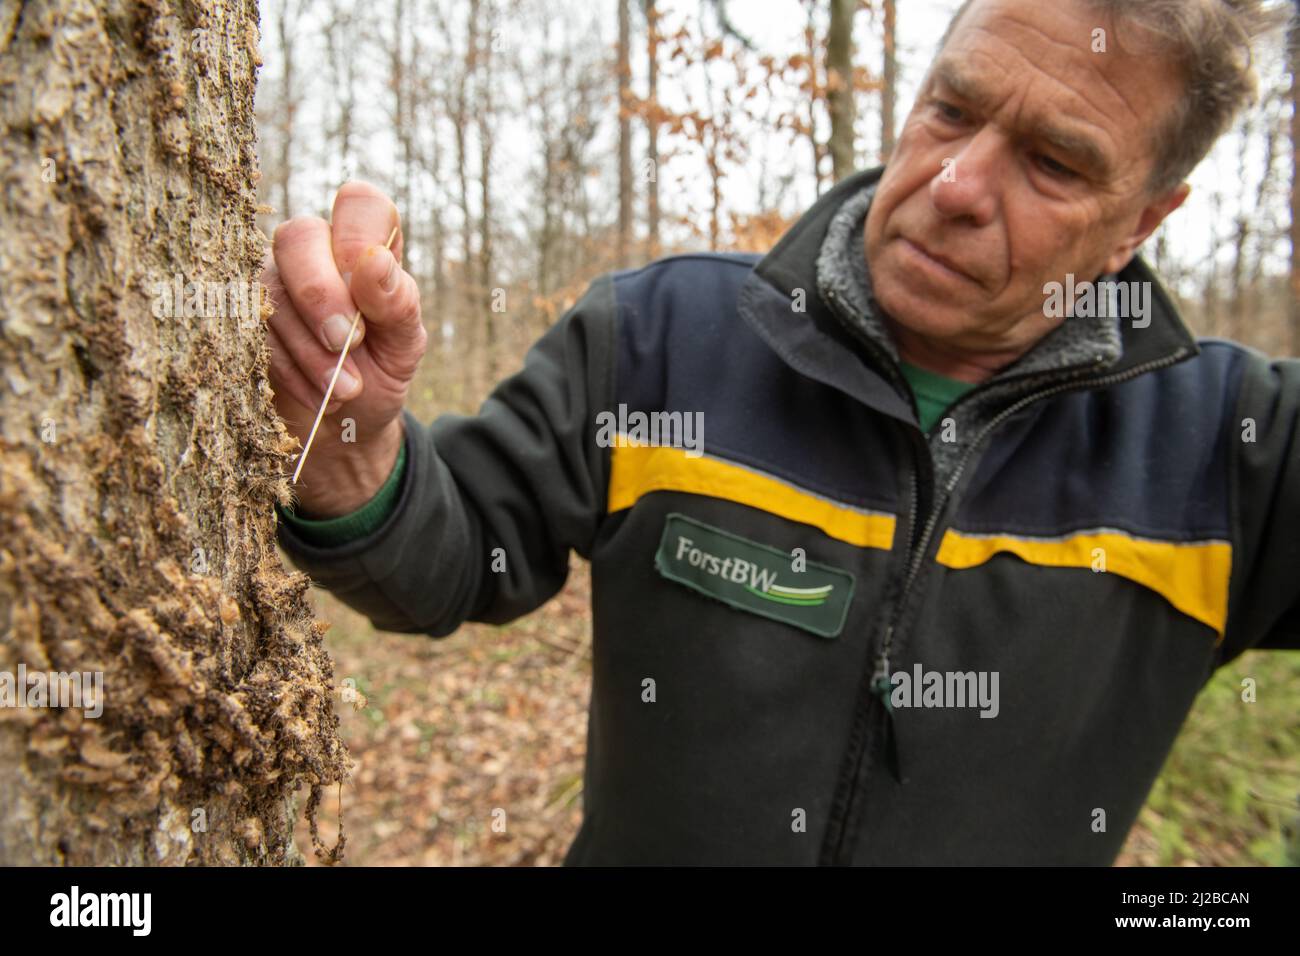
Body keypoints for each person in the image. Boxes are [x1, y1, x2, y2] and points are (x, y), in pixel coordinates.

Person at [262, 0, 1299, 864]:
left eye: (1053, 164)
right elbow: (456, 555)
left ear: (1141, 224)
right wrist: (357, 456)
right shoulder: (664, 337)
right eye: (952, 109)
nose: (956, 187)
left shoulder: (1234, 453)